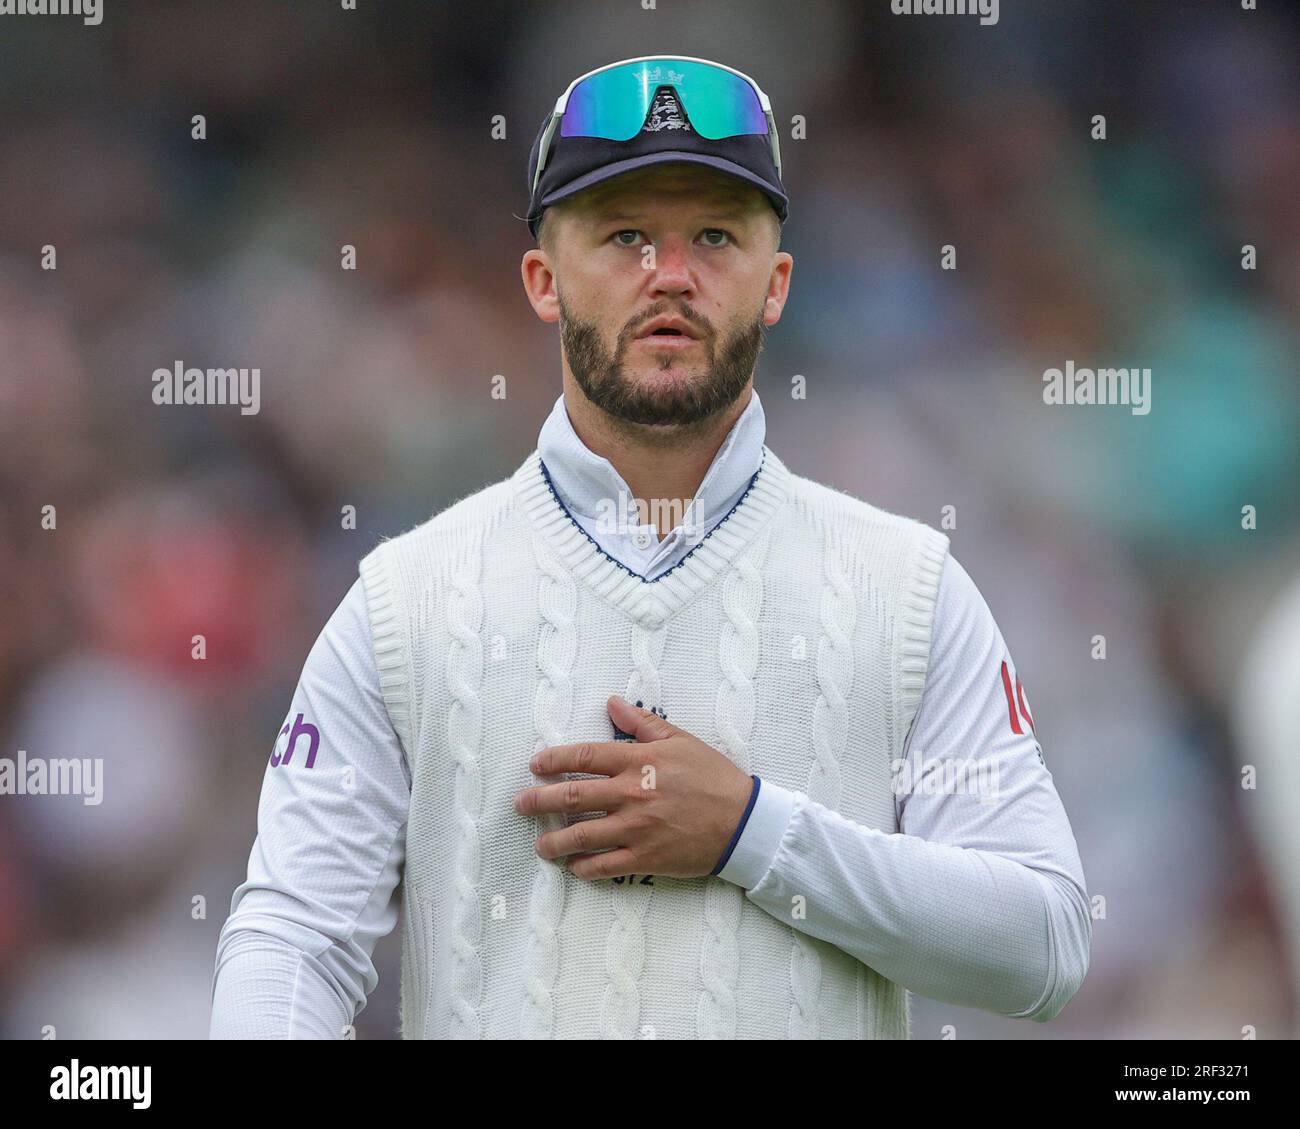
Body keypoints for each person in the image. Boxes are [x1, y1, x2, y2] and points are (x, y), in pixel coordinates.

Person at [209, 55, 1090, 1040]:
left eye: (715, 235)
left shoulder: (909, 591)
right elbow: (294, 936)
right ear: (543, 281)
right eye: (623, 235)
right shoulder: (405, 603)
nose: (670, 274)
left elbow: (1043, 946)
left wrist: (752, 833)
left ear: (776, 283)